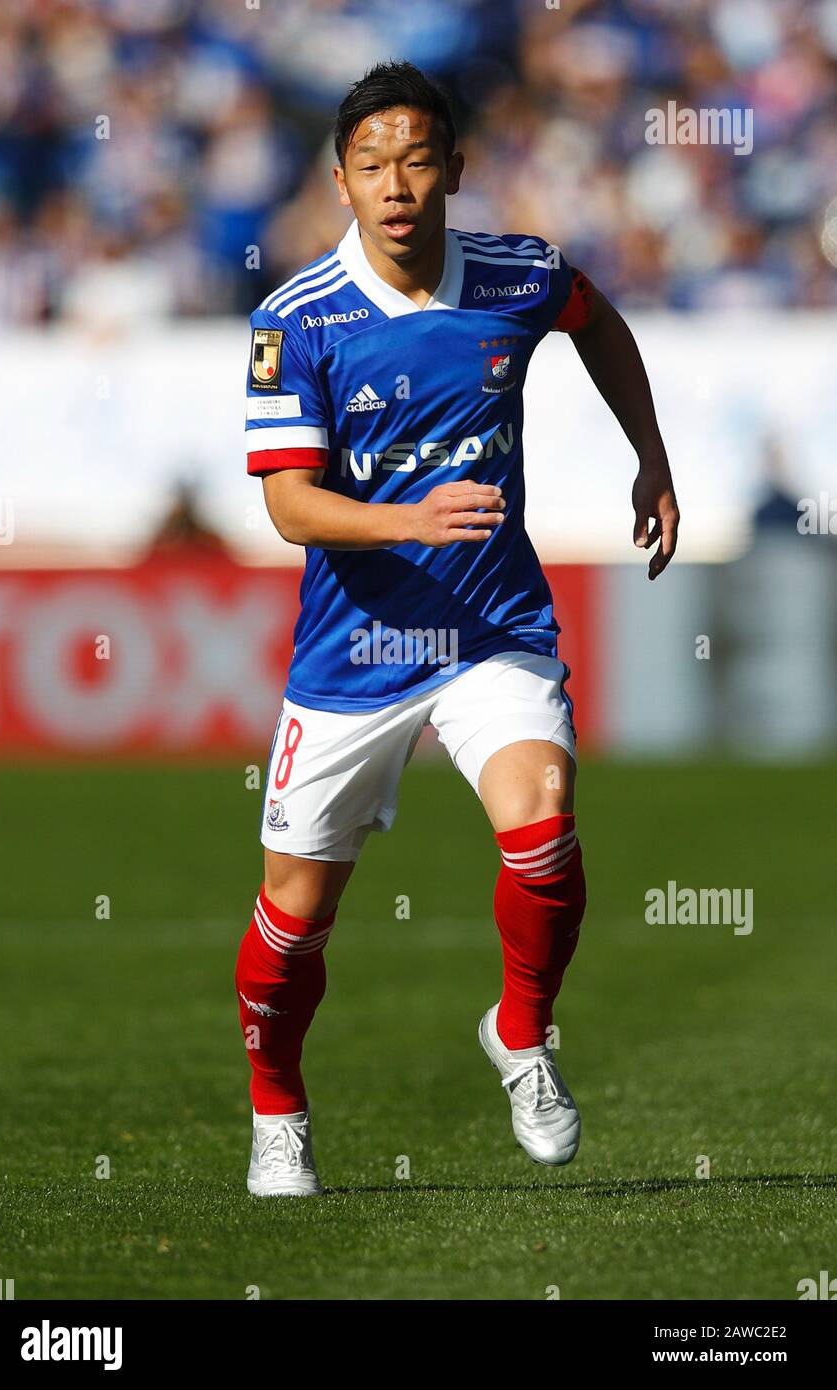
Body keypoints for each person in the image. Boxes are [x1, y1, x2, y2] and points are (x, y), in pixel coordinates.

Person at [235, 61, 679, 1196]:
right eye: (371, 165)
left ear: (452, 171)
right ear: (339, 180)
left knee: (543, 821)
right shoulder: (296, 320)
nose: (395, 186)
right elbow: (287, 505)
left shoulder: (516, 274)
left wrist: (650, 456)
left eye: (416, 161)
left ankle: (521, 1036)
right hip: (353, 653)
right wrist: (403, 518)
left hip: (490, 626)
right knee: (294, 916)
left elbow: (601, 323)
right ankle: (277, 1110)